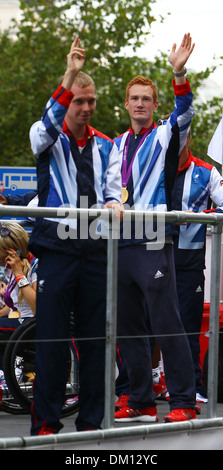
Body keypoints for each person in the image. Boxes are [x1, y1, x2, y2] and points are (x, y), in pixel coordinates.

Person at [28, 36, 123, 435]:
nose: (85, 108)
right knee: (50, 340)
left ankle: (91, 425)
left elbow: (113, 192)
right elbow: (44, 127)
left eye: (91, 101)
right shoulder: (45, 135)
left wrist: (115, 203)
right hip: (56, 250)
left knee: (96, 342)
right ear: (66, 100)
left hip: (97, 253)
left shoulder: (106, 144)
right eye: (78, 101)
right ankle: (46, 424)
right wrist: (68, 74)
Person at [114, 33, 197, 423]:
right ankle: (141, 400)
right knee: (128, 326)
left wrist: (178, 72)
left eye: (147, 98)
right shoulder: (114, 145)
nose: (141, 104)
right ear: (126, 104)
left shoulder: (165, 134)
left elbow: (185, 112)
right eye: (135, 98)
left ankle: (183, 400)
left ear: (155, 105)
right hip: (120, 242)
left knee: (166, 321)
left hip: (152, 238)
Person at [172, 130, 223, 402]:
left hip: (188, 262)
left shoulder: (206, 171)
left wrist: (200, 217)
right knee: (142, 327)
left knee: (187, 328)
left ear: (188, 136)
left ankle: (190, 388)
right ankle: (138, 389)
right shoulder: (149, 167)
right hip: (151, 255)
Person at [0, 222, 38, 387]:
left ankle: (7, 374)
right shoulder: (10, 267)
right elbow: (16, 305)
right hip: (21, 321)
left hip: (34, 325)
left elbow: (37, 307)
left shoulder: (36, 265)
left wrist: (18, 275)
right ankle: (5, 373)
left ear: (11, 251)